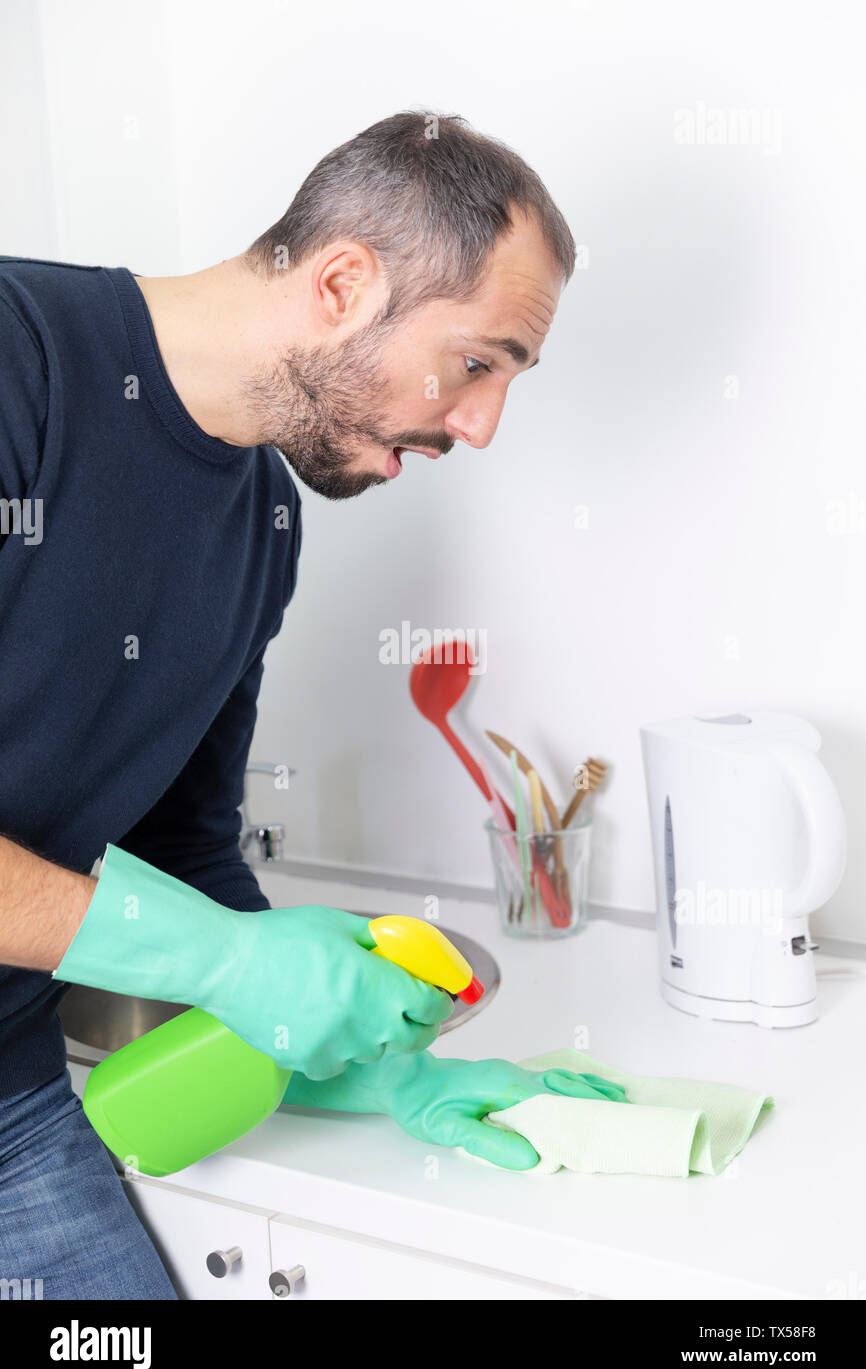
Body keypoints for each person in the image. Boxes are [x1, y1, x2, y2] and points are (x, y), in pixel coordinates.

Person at [0, 110, 622, 1300]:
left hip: (14, 1104)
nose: (481, 425)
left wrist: (355, 1064)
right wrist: (226, 958)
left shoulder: (261, 525)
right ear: (342, 283)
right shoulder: (18, 354)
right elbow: (209, 941)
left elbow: (182, 846)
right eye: (480, 361)